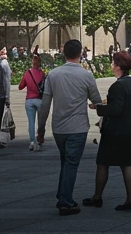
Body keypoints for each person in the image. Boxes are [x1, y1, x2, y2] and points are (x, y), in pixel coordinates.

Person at [37, 39, 103, 216]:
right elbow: (96, 100)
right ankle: (66, 202)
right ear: (81, 53)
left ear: (63, 53)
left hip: (58, 128)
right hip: (78, 127)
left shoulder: (53, 74)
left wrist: (40, 129)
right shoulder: (86, 75)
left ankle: (62, 194)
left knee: (65, 162)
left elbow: (45, 105)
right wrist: (100, 107)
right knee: (71, 164)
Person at [83, 51, 131, 212]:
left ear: (118, 66)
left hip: (116, 132)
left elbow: (116, 109)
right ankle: (130, 200)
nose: (112, 66)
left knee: (102, 163)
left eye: (113, 63)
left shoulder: (117, 85)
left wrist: (99, 108)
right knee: (127, 164)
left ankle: (97, 197)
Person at [18, 51, 47, 152]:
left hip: (29, 100)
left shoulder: (27, 73)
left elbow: (20, 87)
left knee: (31, 122)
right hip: (39, 100)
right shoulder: (42, 74)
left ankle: (32, 141)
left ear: (32, 63)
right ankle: (40, 139)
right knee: (41, 122)